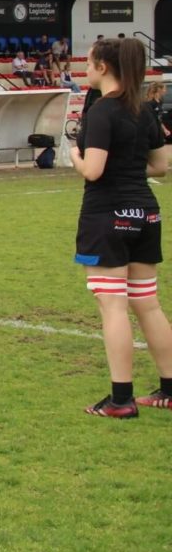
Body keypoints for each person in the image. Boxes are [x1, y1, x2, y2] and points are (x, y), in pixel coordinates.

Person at [70, 37, 172, 418]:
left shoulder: (101, 112)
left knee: (112, 305)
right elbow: (160, 166)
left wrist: (76, 157)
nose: (86, 69)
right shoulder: (143, 110)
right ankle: (169, 388)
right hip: (146, 213)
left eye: (90, 63)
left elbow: (94, 171)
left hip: (108, 215)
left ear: (102, 67)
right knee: (147, 302)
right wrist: (126, 170)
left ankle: (120, 399)